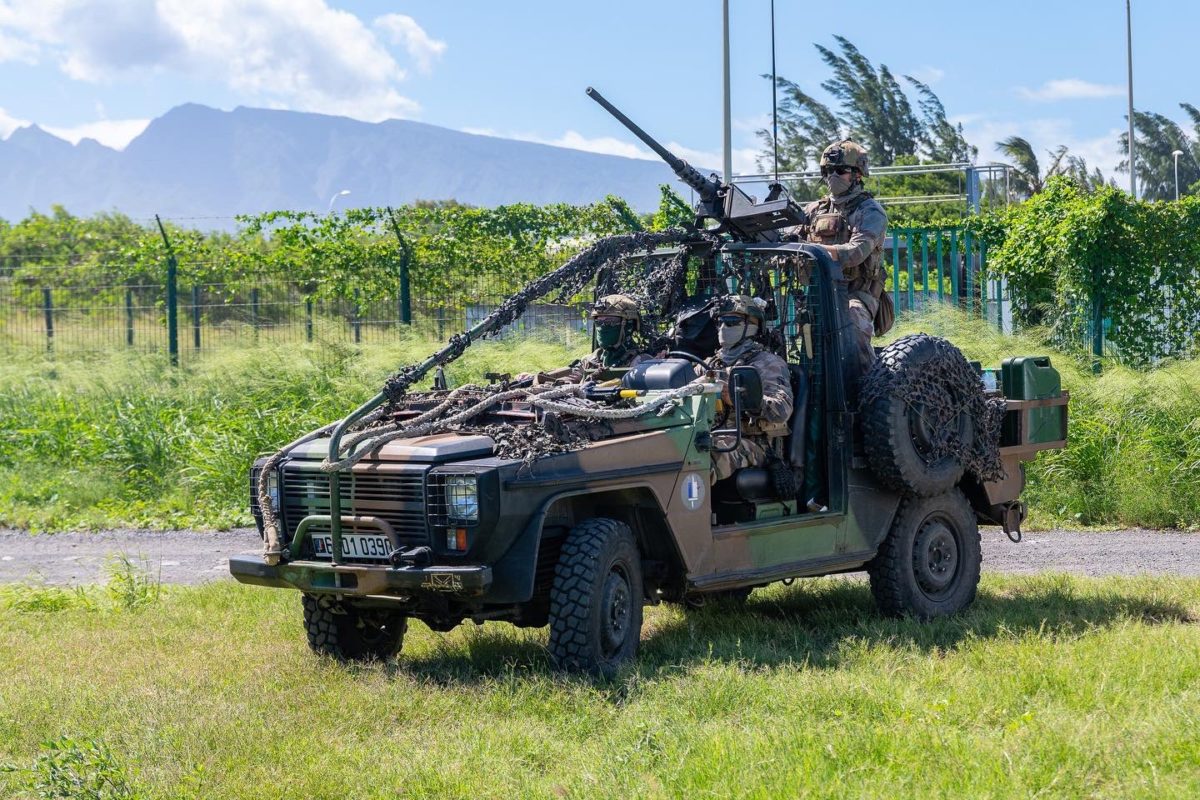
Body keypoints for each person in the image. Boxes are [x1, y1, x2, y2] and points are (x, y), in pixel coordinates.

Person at [791, 139, 890, 372]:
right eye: (828, 171)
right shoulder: (814, 210)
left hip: (857, 294)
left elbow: (855, 253)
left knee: (852, 322)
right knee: (804, 339)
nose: (833, 176)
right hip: (819, 294)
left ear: (857, 174)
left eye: (840, 170)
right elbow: (789, 239)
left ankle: (867, 389)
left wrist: (812, 250)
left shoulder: (870, 211)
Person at [706, 295, 793, 483]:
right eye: (719, 322)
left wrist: (740, 398)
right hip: (712, 437)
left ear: (751, 326)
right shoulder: (710, 364)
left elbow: (781, 409)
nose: (722, 328)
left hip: (756, 445)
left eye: (730, 322)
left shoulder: (767, 363)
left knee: (700, 462)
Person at [521, 294, 649, 383]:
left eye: (609, 321)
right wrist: (535, 378)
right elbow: (569, 380)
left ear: (628, 325)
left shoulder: (642, 362)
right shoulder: (593, 360)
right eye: (599, 322)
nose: (602, 327)